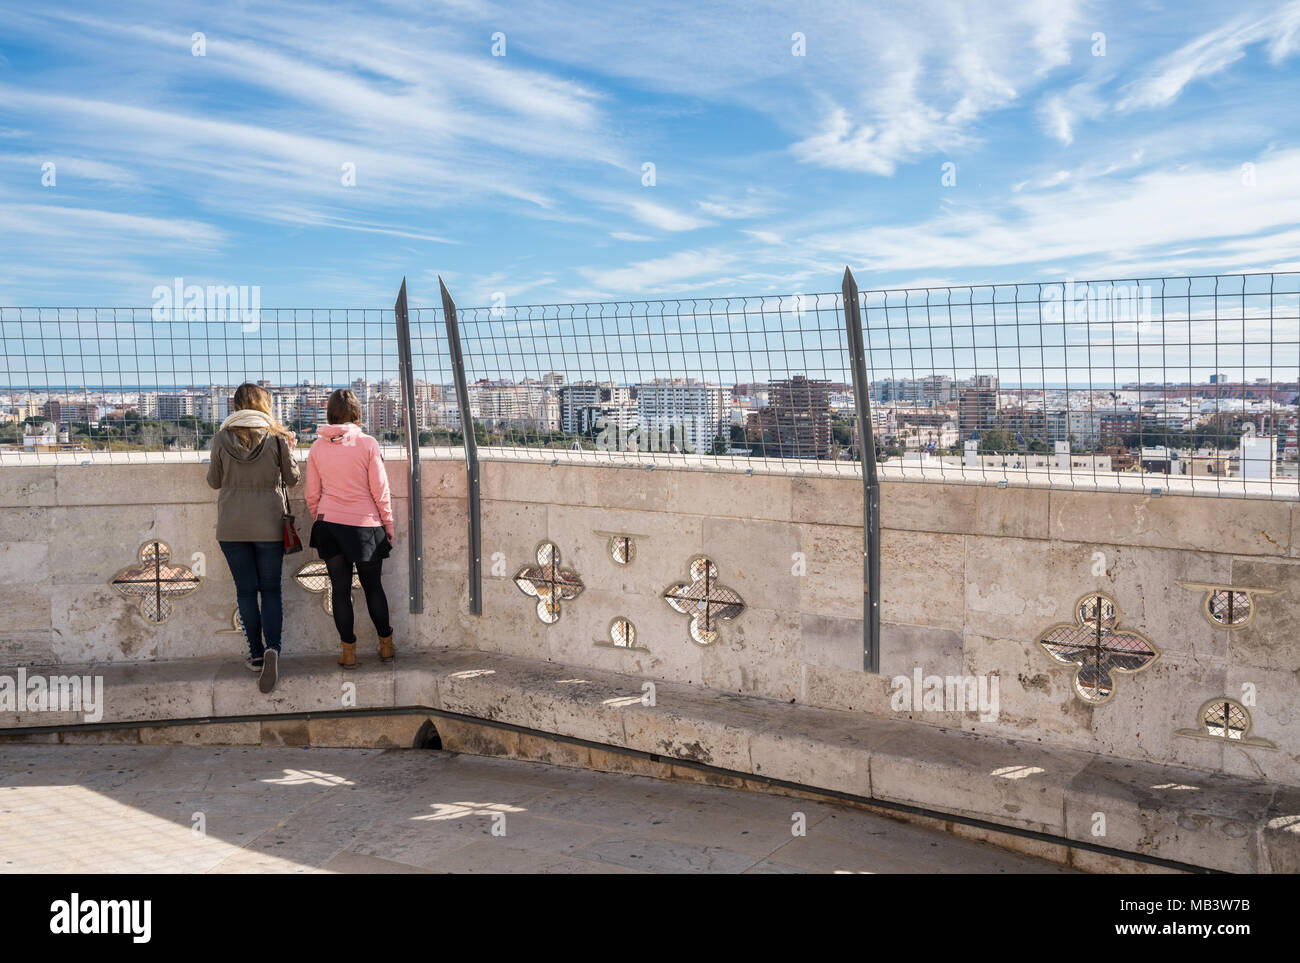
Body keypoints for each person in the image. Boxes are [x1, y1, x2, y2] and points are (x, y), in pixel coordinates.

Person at [206, 383, 300, 693]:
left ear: (235, 406)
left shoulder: (221, 438)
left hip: (232, 526)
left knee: (246, 591)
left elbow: (214, 481)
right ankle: (273, 648)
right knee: (271, 590)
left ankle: (257, 655)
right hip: (269, 526)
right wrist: (291, 451)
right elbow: (292, 479)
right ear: (264, 405)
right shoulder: (275, 438)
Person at [305, 388, 395, 668]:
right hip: (365, 525)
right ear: (357, 413)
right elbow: (381, 491)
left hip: (329, 525)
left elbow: (312, 494)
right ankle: (386, 647)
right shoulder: (368, 443)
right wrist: (388, 526)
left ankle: (348, 653)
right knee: (373, 588)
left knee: (340, 590)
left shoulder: (317, 448)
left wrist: (322, 517)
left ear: (330, 413)